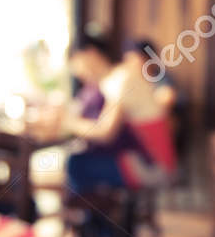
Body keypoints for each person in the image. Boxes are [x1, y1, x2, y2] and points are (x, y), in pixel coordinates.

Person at [63, 34, 176, 192]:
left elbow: (106, 132)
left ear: (90, 54)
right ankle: (98, 205)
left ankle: (92, 208)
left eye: (76, 62)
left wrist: (66, 123)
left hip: (154, 166)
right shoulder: (109, 82)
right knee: (83, 157)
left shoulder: (121, 79)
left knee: (76, 164)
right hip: (141, 158)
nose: (77, 72)